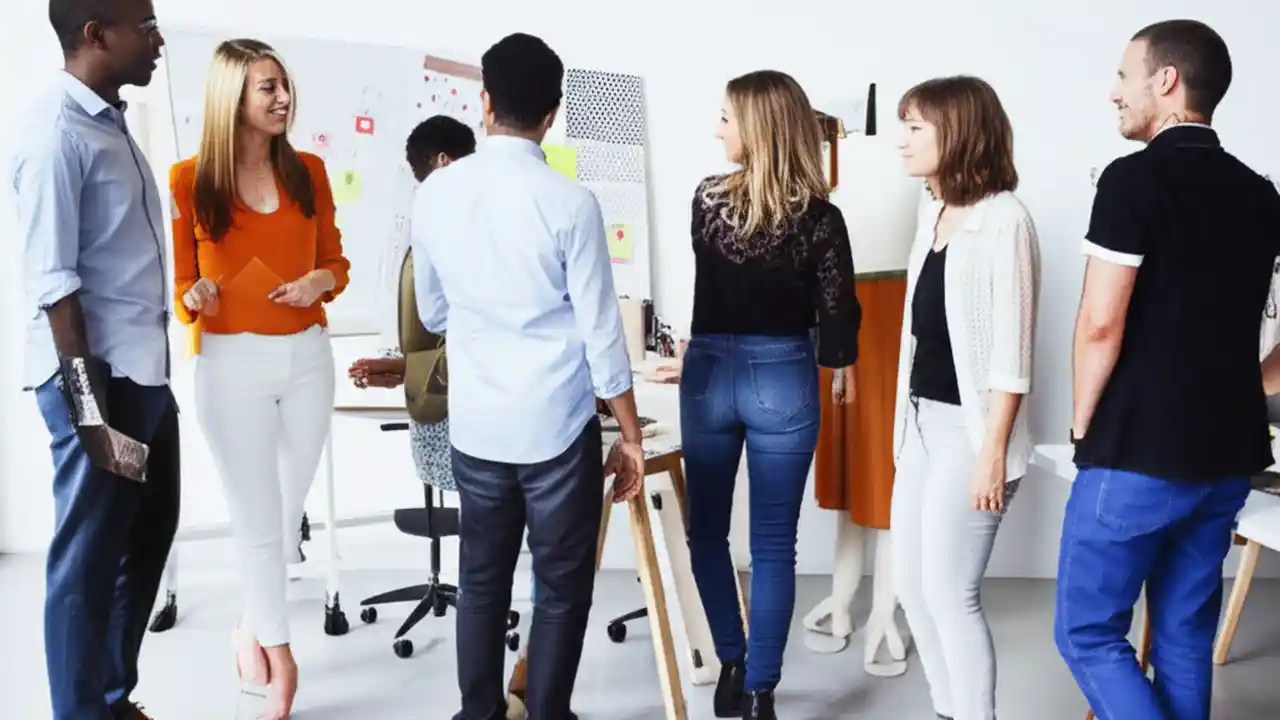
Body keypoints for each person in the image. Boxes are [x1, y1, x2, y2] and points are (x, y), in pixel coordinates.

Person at [410, 33, 645, 720]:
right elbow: (603, 335)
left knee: (481, 581)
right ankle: (547, 711)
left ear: (483, 103)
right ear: (553, 112)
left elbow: (430, 309)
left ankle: (478, 712)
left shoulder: (437, 194)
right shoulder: (571, 203)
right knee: (562, 587)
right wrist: (629, 435)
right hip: (555, 430)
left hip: (478, 425)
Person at [1057, 20, 1280, 720]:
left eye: (1124, 76)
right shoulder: (1260, 194)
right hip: (1225, 455)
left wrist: (1082, 426)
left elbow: (1099, 323)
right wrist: (1255, 382)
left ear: (1166, 80)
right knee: (1183, 632)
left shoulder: (1132, 180)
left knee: (1087, 632)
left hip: (1137, 448)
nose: (1114, 93)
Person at [168, 38, 350, 720]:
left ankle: (247, 627)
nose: (282, 98)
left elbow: (337, 260)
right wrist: (196, 298)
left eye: (284, 85)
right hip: (228, 363)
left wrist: (317, 283)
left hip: (306, 357)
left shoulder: (310, 171)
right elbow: (184, 282)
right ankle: (280, 657)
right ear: (231, 100)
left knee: (279, 510)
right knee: (257, 519)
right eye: (266, 88)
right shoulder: (188, 180)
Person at [682, 70, 861, 720]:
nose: (718, 129)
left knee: (705, 532)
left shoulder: (706, 200)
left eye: (727, 118)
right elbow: (838, 315)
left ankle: (732, 660)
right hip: (783, 373)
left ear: (756, 128)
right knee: (774, 544)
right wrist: (839, 362)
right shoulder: (822, 218)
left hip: (709, 374)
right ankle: (761, 692)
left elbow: (717, 288)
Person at [12, 2, 174, 718]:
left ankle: (111, 698)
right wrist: (92, 418)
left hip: (144, 378)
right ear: (95, 34)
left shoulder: (109, 123)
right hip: (98, 385)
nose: (157, 37)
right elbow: (55, 289)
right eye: (144, 24)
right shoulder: (56, 135)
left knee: (144, 542)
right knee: (85, 565)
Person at [889, 76, 1041, 720]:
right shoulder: (934, 212)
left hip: (974, 435)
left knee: (953, 595)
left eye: (916, 127)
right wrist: (903, 431)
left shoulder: (1005, 221)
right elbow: (918, 334)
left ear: (958, 133)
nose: (903, 140)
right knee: (912, 589)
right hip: (923, 425)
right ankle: (948, 711)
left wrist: (992, 454)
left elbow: (1013, 354)